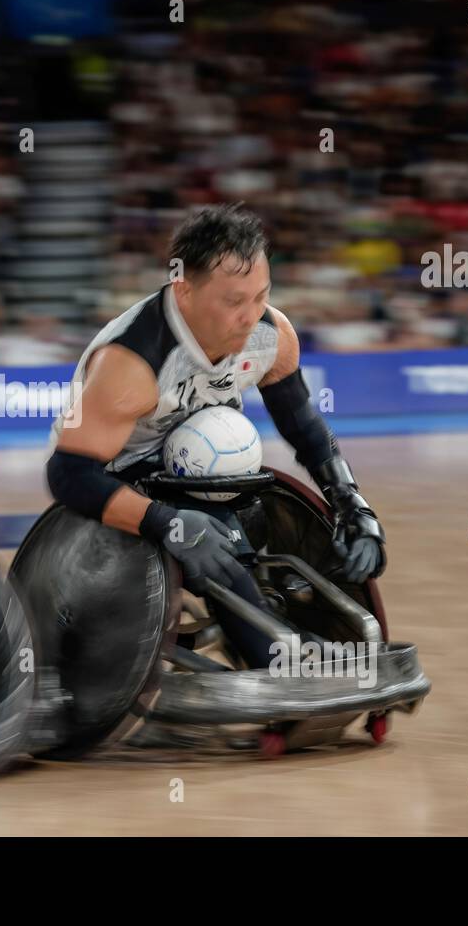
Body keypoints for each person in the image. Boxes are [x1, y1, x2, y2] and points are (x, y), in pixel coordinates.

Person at [45, 203, 386, 667]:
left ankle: (265, 615)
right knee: (216, 536)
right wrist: (165, 522)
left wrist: (350, 502)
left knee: (260, 510)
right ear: (183, 290)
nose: (251, 316)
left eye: (260, 296)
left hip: (202, 460)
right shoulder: (132, 361)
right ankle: (269, 650)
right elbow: (69, 475)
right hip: (116, 470)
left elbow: (302, 426)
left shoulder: (272, 333)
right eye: (233, 301)